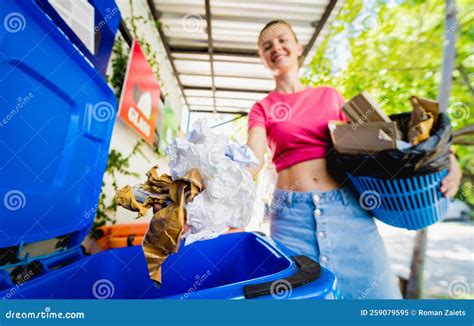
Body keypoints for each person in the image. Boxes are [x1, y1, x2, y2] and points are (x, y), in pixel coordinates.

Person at [245, 20, 462, 299]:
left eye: (282, 40)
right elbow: (251, 159)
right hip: (290, 217)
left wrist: (447, 157)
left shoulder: (329, 96)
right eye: (267, 46)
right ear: (263, 59)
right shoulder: (262, 108)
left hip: (346, 209)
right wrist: (212, 183)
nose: (276, 48)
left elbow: (386, 140)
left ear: (298, 47)